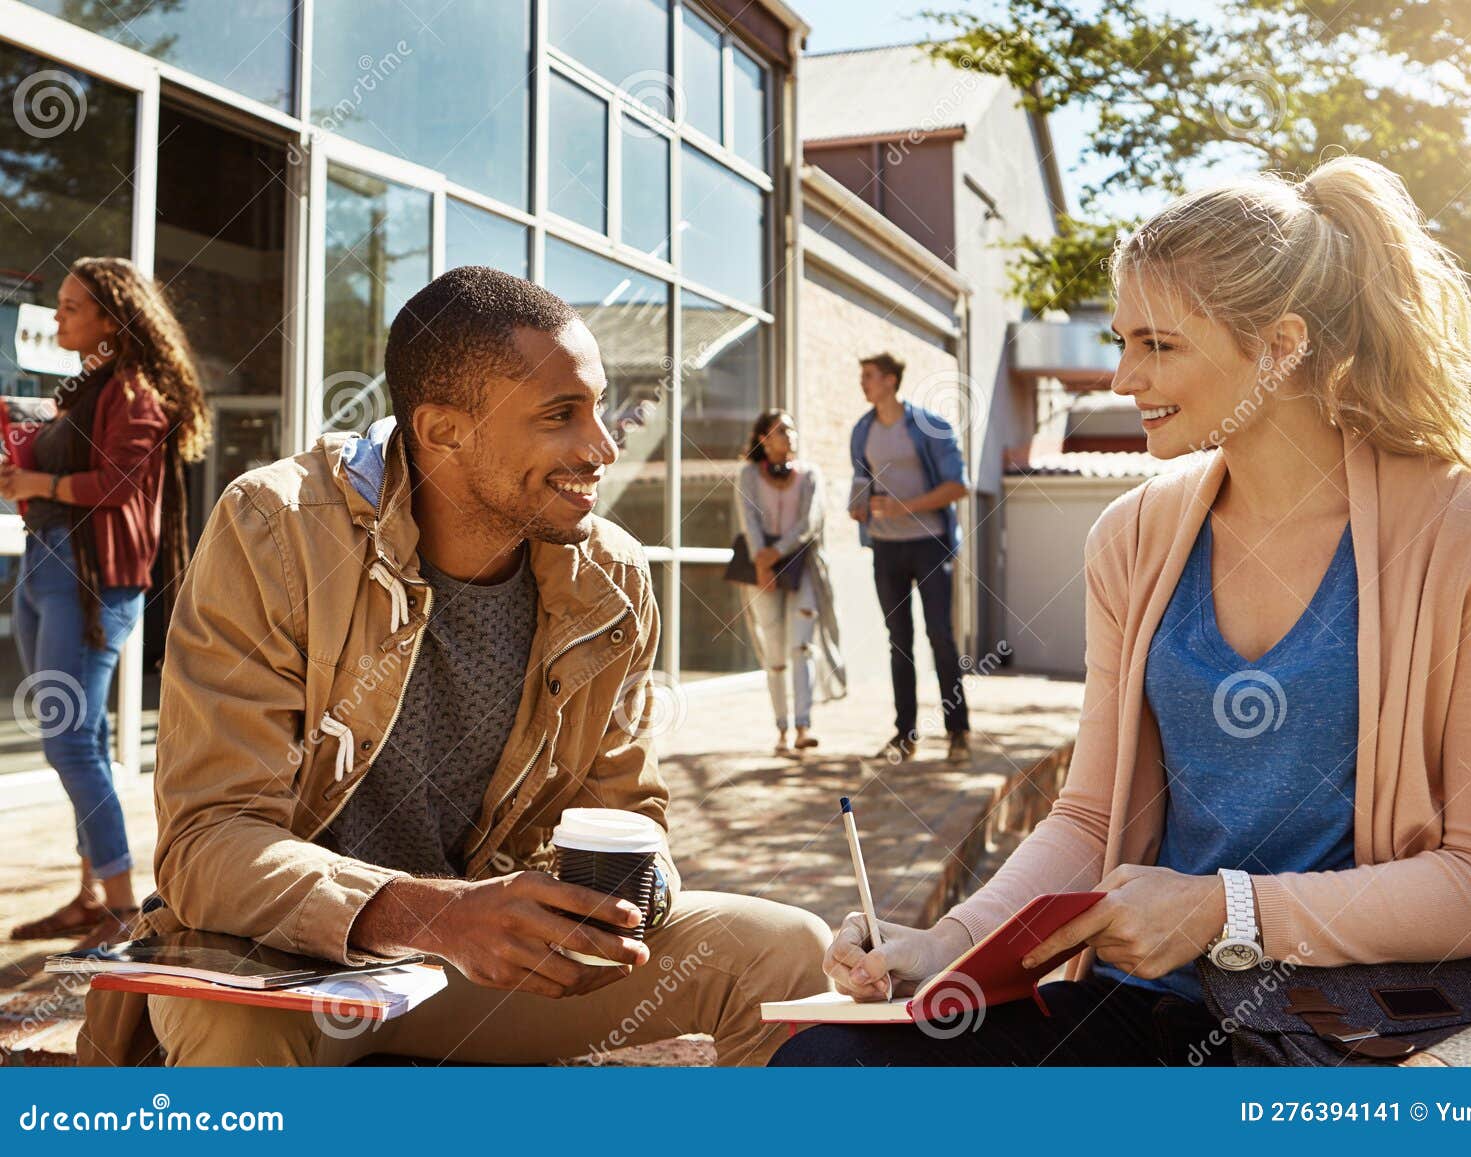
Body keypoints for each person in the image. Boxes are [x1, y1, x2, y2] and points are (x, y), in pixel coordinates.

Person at [774, 156, 1471, 1066]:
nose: (1122, 377)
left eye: (1157, 345)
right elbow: (1088, 818)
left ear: (1281, 346)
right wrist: (946, 943)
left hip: (1356, 1030)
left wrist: (1227, 911)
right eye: (1122, 341)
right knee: (827, 1062)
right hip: (1150, 1007)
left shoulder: (1467, 535)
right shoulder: (1133, 537)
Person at [78, 266, 830, 1067]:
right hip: (282, 965)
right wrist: (439, 916)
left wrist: (620, 900)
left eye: (599, 406)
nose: (603, 447)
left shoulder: (610, 579)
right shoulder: (278, 530)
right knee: (233, 1031)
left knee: (789, 952)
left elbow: (628, 808)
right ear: (442, 430)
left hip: (476, 969)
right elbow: (208, 842)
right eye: (561, 415)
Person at [5, 257, 210, 950]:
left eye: (71, 306)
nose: (58, 315)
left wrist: (38, 481)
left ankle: (123, 909)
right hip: (46, 562)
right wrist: (22, 475)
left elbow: (122, 483)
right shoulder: (84, 389)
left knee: (69, 738)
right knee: (79, 738)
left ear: (110, 320)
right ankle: (92, 895)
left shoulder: (134, 393)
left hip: (91, 581)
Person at [848, 353, 971, 765]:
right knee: (898, 641)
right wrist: (858, 506)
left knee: (940, 635)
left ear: (890, 380)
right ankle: (905, 735)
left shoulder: (929, 426)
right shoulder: (862, 429)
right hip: (886, 547)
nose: (863, 383)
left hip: (930, 543)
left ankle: (958, 732)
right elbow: (861, 478)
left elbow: (958, 485)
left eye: (868, 376)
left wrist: (906, 507)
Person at [734, 409, 846, 754]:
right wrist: (762, 562)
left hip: (802, 565)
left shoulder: (810, 474)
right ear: (764, 439)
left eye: (792, 429)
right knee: (774, 650)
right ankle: (781, 729)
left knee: (802, 646)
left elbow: (809, 522)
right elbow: (749, 520)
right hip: (760, 565)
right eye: (781, 430)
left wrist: (777, 552)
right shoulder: (748, 475)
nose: (790, 436)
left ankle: (802, 726)